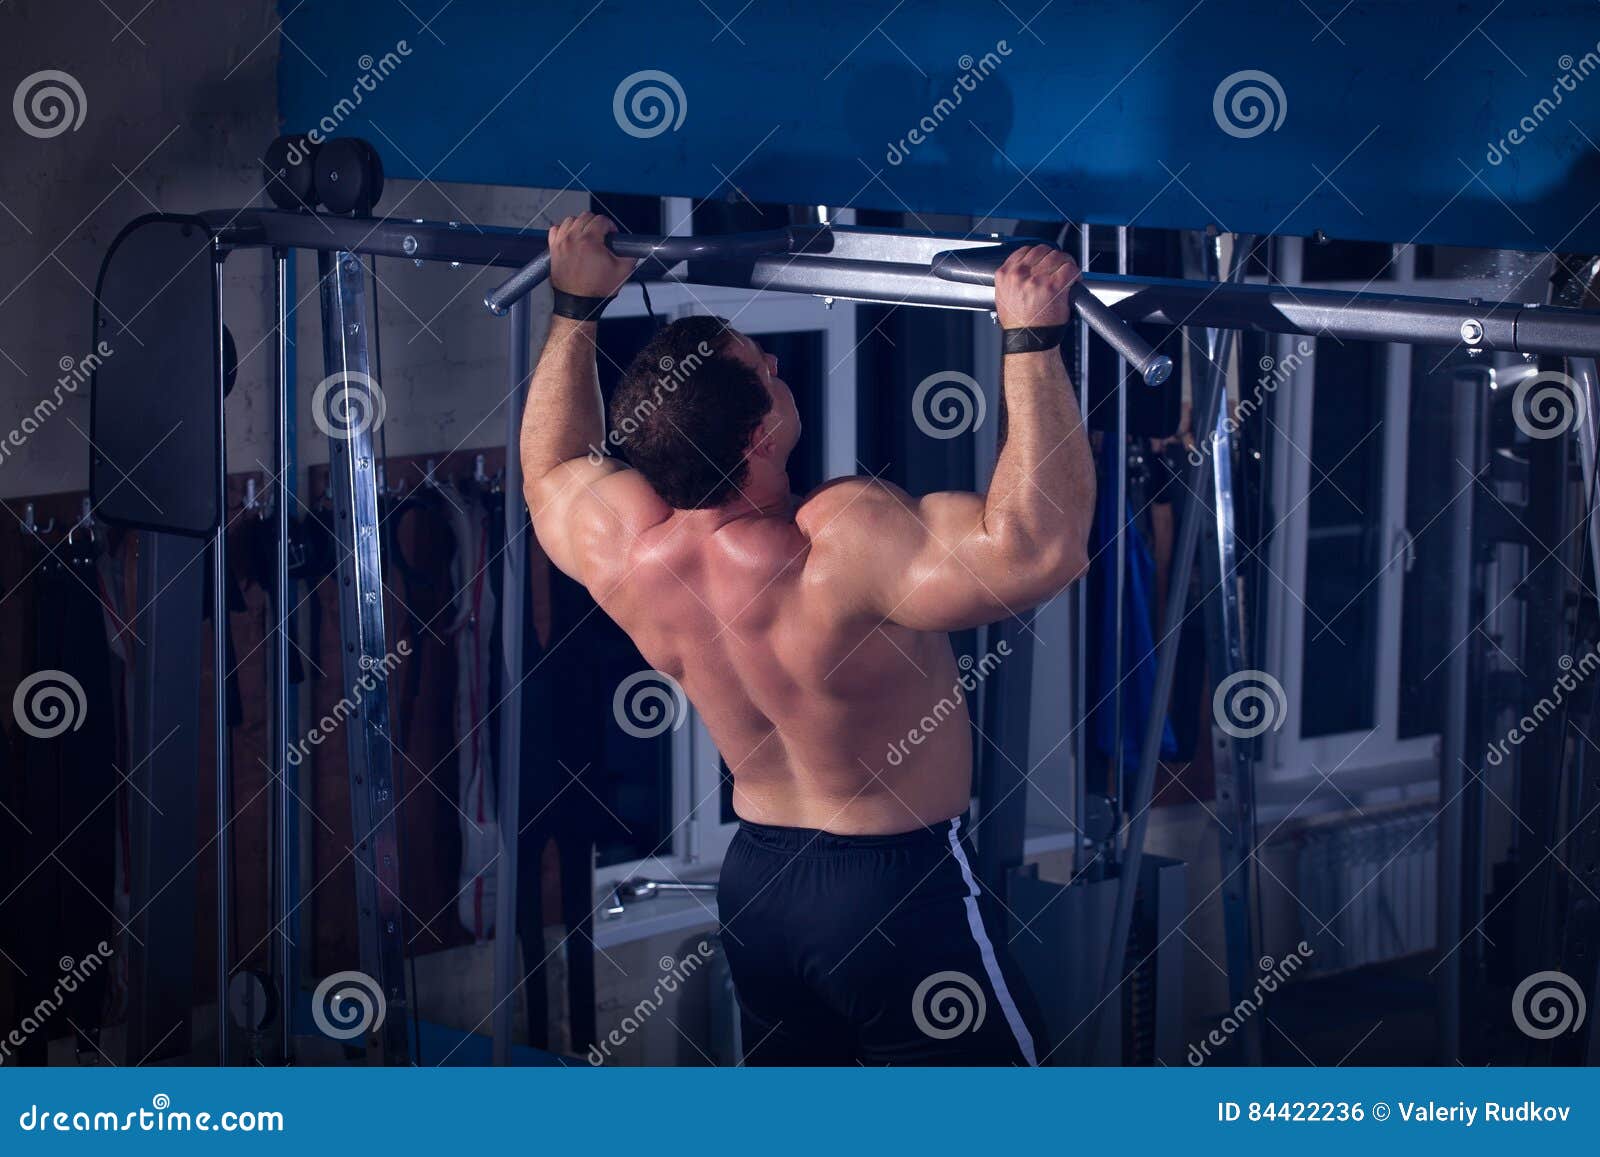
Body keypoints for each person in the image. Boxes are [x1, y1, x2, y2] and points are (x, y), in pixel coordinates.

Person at [521, 212, 1094, 1065]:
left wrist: (572, 306)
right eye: (765, 369)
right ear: (758, 437)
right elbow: (1040, 550)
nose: (781, 363)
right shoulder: (839, 541)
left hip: (758, 892)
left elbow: (549, 466)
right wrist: (1031, 343)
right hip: (895, 894)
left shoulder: (631, 554)